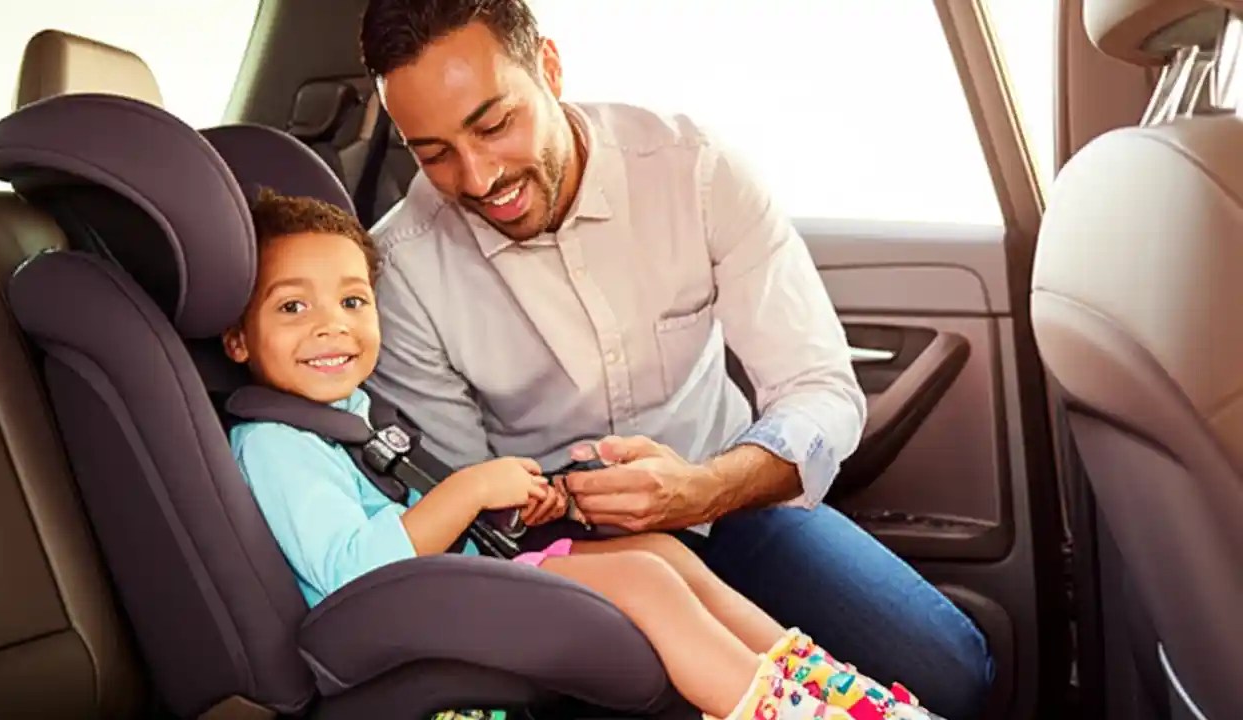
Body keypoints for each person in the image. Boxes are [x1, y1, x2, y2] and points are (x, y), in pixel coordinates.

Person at [358, 2, 994, 718]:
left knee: (949, 674)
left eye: (495, 124)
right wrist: (558, 513)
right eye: (434, 154)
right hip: (562, 554)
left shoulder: (695, 171)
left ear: (550, 68)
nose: (477, 178)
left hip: (729, 498)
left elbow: (819, 388)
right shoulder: (400, 271)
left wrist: (702, 490)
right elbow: (467, 512)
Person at [223, 188, 941, 720]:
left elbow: (412, 517)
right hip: (409, 620)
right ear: (235, 338)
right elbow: (356, 572)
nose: (333, 327)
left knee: (661, 553)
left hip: (460, 579)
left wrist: (510, 504)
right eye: (293, 307)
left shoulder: (351, 415)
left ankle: (841, 695)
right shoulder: (277, 445)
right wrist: (469, 493)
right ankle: (780, 711)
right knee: (645, 580)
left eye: (353, 302)